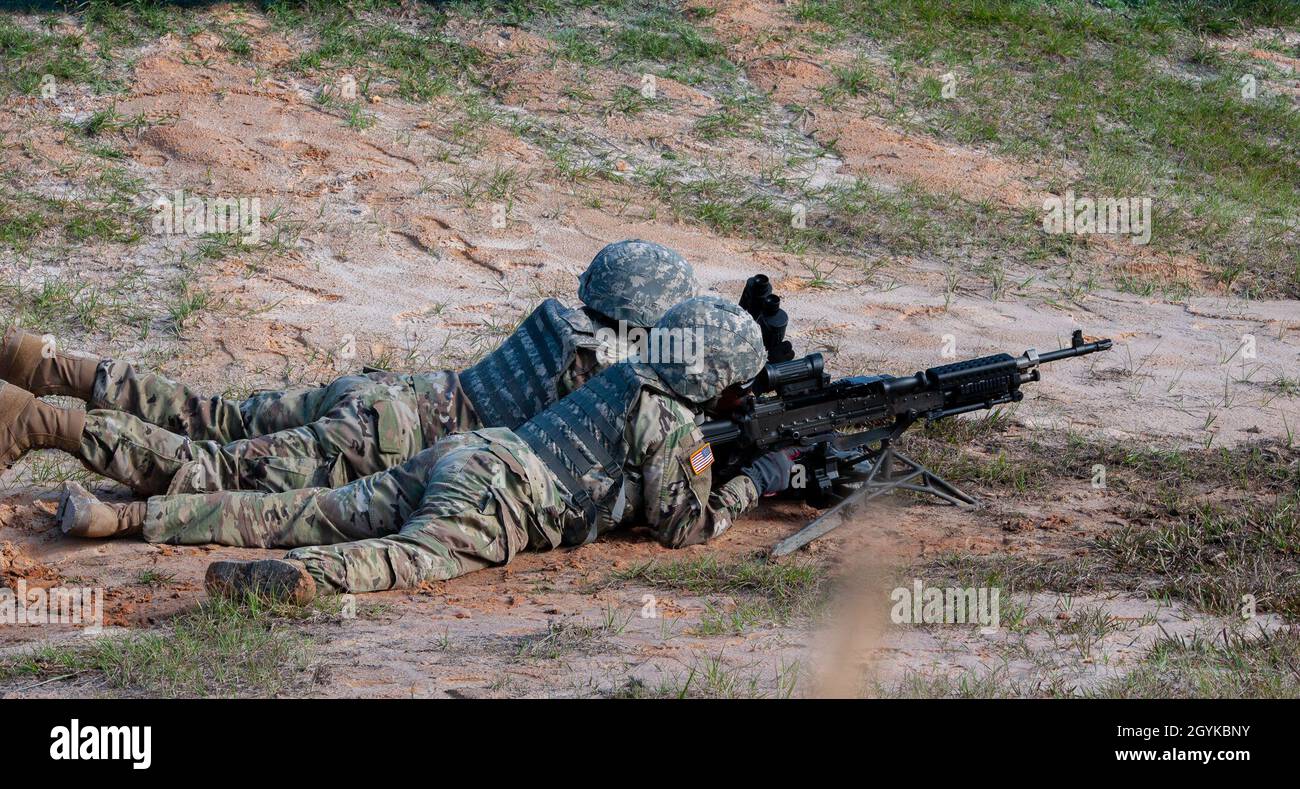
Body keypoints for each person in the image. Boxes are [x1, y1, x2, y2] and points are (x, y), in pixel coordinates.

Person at [53, 296, 797, 604]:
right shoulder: (667, 419)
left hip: (464, 450)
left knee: (307, 501)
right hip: (495, 500)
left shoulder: (624, 370)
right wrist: (755, 482)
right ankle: (300, 578)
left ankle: (130, 517)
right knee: (404, 557)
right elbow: (683, 526)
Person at [0, 240, 696, 495]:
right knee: (209, 470)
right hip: (384, 440)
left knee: (216, 417)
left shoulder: (562, 323)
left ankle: (41, 360)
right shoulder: (602, 368)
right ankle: (43, 422)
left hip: (392, 396)